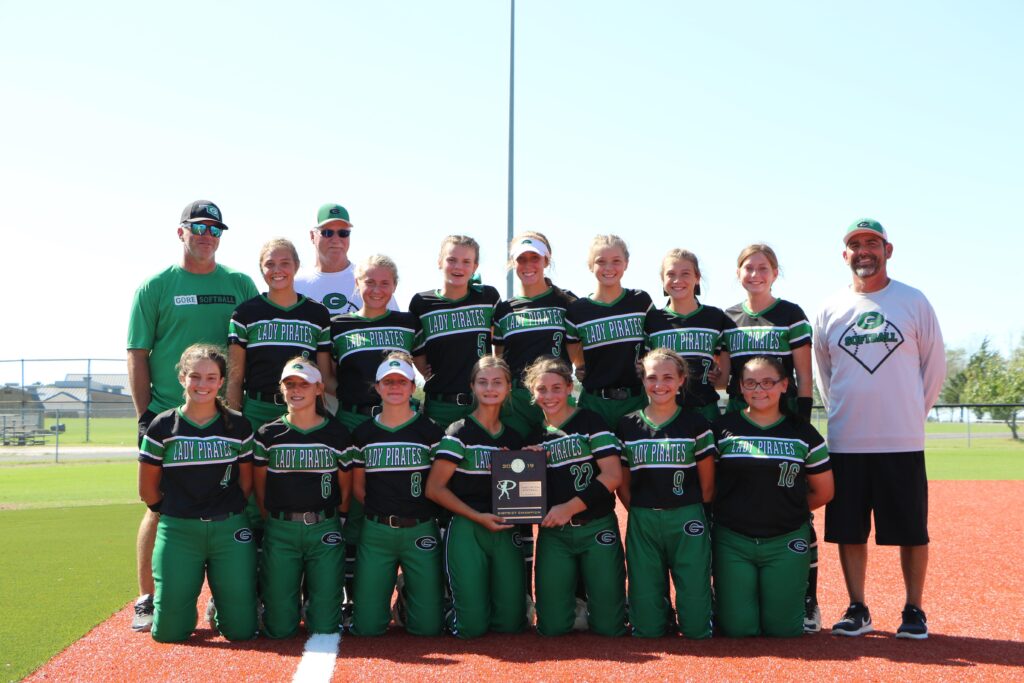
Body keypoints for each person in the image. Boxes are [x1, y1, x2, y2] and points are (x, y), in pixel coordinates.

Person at [127, 199, 258, 632]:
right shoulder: (156, 287)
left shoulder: (239, 283)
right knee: (160, 508)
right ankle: (148, 598)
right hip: (171, 413)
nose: (207, 235)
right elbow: (137, 353)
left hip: (225, 418)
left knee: (234, 505)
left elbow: (251, 346)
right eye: (198, 227)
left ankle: (224, 600)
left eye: (215, 229)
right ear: (180, 232)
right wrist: (146, 414)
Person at [814, 219, 944, 640]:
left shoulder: (913, 301)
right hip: (847, 441)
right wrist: (848, 414)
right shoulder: (830, 308)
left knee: (911, 530)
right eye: (854, 244)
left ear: (888, 250)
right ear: (844, 254)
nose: (863, 250)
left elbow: (933, 367)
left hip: (901, 440)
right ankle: (857, 607)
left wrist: (907, 414)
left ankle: (914, 609)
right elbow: (824, 374)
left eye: (872, 242)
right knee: (849, 530)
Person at [721, 243, 820, 630]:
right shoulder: (728, 318)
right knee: (736, 496)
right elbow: (725, 374)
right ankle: (728, 592)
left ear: (775, 273)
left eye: (763, 268)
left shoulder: (790, 314)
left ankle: (808, 600)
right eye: (748, 268)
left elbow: (804, 373)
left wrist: (803, 415)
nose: (755, 274)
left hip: (784, 412)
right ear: (738, 273)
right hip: (737, 413)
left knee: (794, 501)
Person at [137, 344, 258, 643]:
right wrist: (176, 513)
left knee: (241, 631)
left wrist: (225, 509)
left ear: (221, 382)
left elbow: (246, 484)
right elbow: (147, 489)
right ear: (182, 378)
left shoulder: (238, 425)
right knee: (168, 633)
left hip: (228, 528)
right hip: (179, 529)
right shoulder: (163, 425)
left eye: (210, 377)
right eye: (195, 376)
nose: (202, 384)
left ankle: (221, 605)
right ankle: (179, 610)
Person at [711, 355, 833, 638]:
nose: (759, 389)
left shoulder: (803, 433)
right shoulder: (722, 430)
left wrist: (785, 509)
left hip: (785, 539)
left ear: (784, 385)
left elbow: (825, 490)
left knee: (783, 631)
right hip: (734, 540)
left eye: (768, 382)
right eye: (751, 382)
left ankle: (802, 601)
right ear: (740, 387)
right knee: (739, 630)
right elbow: (709, 485)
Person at [330, 254, 419, 622]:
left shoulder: (408, 324)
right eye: (369, 281)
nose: (377, 289)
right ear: (357, 284)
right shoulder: (338, 325)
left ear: (395, 286)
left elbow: (424, 368)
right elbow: (329, 377)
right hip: (354, 421)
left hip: (400, 420)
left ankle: (414, 588)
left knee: (401, 495)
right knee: (354, 505)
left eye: (384, 283)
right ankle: (353, 595)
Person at [425, 356, 531, 638]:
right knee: (471, 628)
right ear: (472, 386)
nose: (490, 388)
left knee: (511, 624)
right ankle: (445, 606)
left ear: (509, 387)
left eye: (498, 382)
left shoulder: (514, 437)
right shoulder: (459, 431)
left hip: (505, 527)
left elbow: (523, 492)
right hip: (467, 524)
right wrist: (477, 516)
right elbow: (434, 489)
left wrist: (531, 466)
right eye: (483, 382)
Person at [616, 348, 715, 638]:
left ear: (682, 380)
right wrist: (639, 508)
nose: (660, 384)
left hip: (687, 517)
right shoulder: (627, 424)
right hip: (644, 517)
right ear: (643, 381)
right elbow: (623, 482)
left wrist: (696, 512)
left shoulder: (696, 423)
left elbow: (708, 483)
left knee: (697, 628)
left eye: (668, 377)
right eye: (652, 377)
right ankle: (658, 616)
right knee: (646, 629)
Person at [525, 357, 627, 637]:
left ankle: (602, 603)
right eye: (541, 389)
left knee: (610, 628)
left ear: (570, 387)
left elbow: (612, 476)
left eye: (556, 388)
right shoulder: (535, 435)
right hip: (555, 534)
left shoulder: (591, 421)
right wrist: (526, 465)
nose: (549, 396)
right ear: (532, 392)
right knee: (552, 627)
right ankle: (577, 604)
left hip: (596, 528)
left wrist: (569, 508)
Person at [253, 358, 352, 638]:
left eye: (304, 384)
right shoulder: (268, 434)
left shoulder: (337, 433)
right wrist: (272, 519)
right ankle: (274, 606)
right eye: (290, 384)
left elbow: (346, 487)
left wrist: (338, 520)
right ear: (281, 389)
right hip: (281, 528)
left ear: (319, 388)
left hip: (324, 529)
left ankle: (318, 605)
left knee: (325, 626)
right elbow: (260, 488)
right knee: (279, 629)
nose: (296, 390)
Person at [349, 353, 445, 636]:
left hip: (420, 530)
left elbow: (439, 484)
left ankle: (405, 597)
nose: (394, 387)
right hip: (377, 532)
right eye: (387, 381)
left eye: (401, 382)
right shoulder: (363, 433)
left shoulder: (430, 431)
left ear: (412, 385)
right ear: (377, 387)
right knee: (367, 628)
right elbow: (358, 487)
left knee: (428, 628)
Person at [227, 238, 333, 431]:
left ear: (297, 266)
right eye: (269, 264)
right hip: (257, 411)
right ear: (261, 268)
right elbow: (235, 377)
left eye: (285, 263)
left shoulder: (317, 314)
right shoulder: (245, 313)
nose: (277, 270)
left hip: (304, 411)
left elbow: (324, 376)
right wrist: (233, 423)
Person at [409, 235, 501, 430]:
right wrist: (426, 373)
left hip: (481, 403)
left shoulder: (488, 297)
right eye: (451, 260)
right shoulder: (421, 303)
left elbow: (499, 340)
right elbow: (415, 348)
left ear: (475, 266)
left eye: (466, 261)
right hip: (440, 406)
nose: (458, 267)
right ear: (439, 262)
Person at [493, 232, 578, 436]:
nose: (527, 265)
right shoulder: (504, 309)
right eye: (521, 259)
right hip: (516, 403)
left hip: (557, 398)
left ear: (546, 260)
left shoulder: (567, 302)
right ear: (513, 263)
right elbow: (499, 357)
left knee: (560, 463)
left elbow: (578, 351)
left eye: (534, 258)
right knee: (517, 465)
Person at [566, 235, 653, 430]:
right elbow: (572, 353)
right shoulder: (578, 310)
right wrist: (581, 367)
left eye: (616, 261)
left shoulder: (640, 301)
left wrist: (647, 364)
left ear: (626, 264)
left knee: (632, 460)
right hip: (594, 402)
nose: (608, 268)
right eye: (600, 262)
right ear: (590, 265)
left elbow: (656, 342)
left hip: (635, 401)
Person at [645, 249, 734, 422]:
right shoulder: (652, 320)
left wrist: (717, 374)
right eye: (671, 274)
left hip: (705, 410)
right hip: (664, 413)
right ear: (662, 280)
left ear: (697, 277)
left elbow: (722, 375)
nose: (678, 280)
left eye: (685, 273)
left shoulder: (715, 317)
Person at [294, 203, 399, 316]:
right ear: (312, 236)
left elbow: (391, 327)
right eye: (327, 233)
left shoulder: (368, 281)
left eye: (343, 233)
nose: (335, 239)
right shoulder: (295, 285)